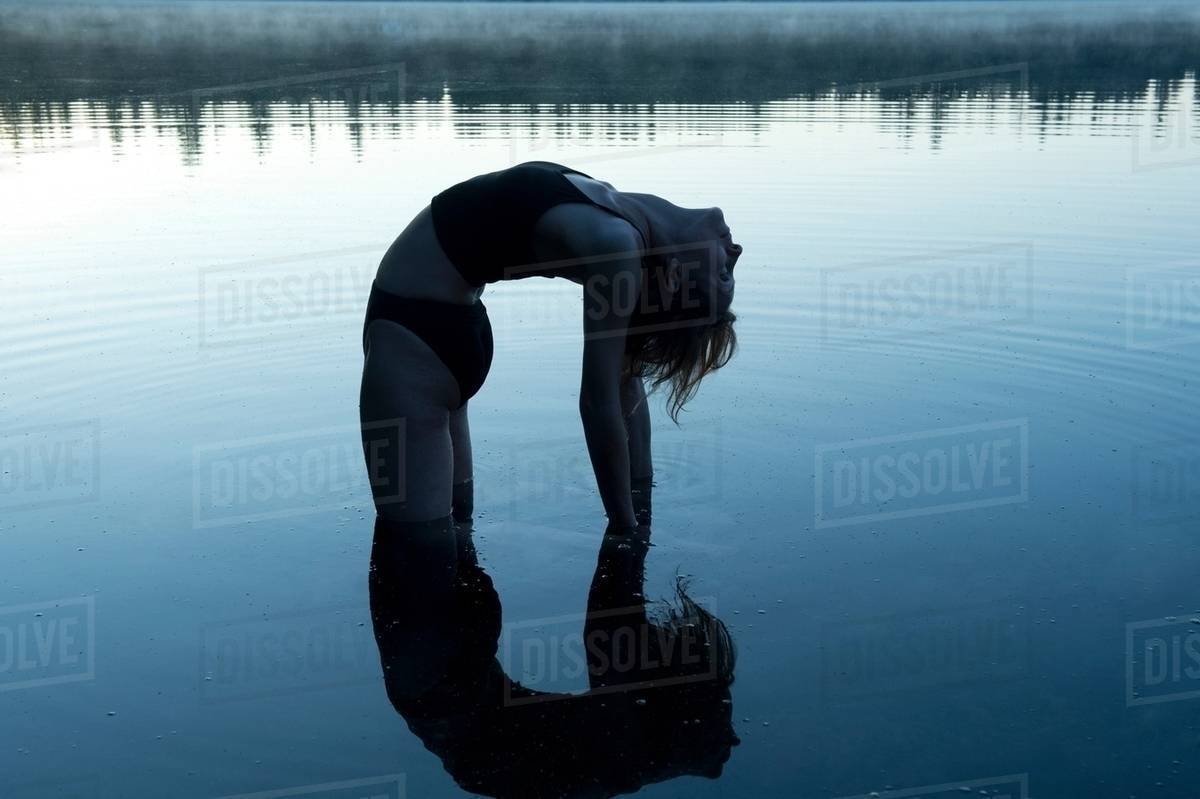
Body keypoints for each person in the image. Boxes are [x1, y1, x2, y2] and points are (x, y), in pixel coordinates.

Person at [359, 161, 741, 531]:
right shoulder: (620, 221)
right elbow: (621, 384)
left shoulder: (619, 243)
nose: (735, 252)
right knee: (448, 535)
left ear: (675, 276)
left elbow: (602, 399)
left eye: (724, 273)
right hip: (441, 335)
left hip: (411, 343)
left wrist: (629, 523)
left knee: (415, 554)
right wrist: (636, 501)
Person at [368, 514, 739, 798]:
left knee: (431, 512)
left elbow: (607, 626)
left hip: (440, 690)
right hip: (437, 693)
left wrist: (629, 534)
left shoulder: (629, 743)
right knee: (445, 513)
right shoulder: (631, 750)